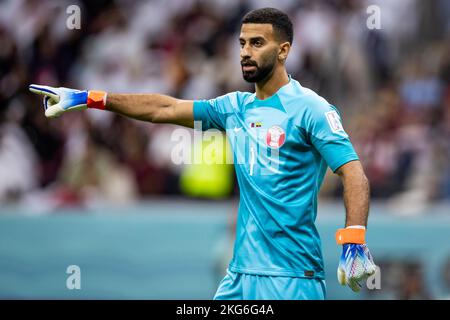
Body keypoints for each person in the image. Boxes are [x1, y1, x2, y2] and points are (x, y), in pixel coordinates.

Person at [29, 7, 376, 300]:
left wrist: (354, 240)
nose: (245, 52)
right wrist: (90, 98)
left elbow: (354, 173)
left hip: (292, 278)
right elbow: (162, 108)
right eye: (242, 43)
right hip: (240, 277)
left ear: (283, 50)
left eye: (257, 43)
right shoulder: (234, 107)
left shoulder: (311, 109)